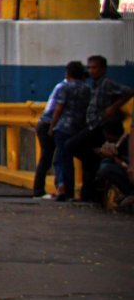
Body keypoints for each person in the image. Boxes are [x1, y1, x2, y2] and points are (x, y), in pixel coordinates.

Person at [65, 55, 133, 202]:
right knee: (88, 163)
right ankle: (87, 196)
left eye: (94, 67)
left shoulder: (107, 83)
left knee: (70, 145)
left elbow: (129, 91)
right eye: (89, 67)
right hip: (91, 125)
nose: (91, 71)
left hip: (99, 126)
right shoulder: (93, 85)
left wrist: (114, 107)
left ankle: (95, 158)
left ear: (103, 69)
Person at [49, 60, 90, 201]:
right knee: (73, 159)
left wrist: (51, 126)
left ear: (68, 73)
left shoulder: (65, 88)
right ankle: (73, 191)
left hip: (63, 128)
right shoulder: (87, 89)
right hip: (79, 128)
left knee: (61, 159)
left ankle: (62, 187)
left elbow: (59, 109)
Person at [32, 66, 74, 198]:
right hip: (49, 125)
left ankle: (43, 189)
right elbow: (58, 109)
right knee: (50, 158)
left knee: (48, 158)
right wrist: (52, 127)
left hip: (46, 123)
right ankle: (41, 190)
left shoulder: (61, 86)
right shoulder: (66, 88)